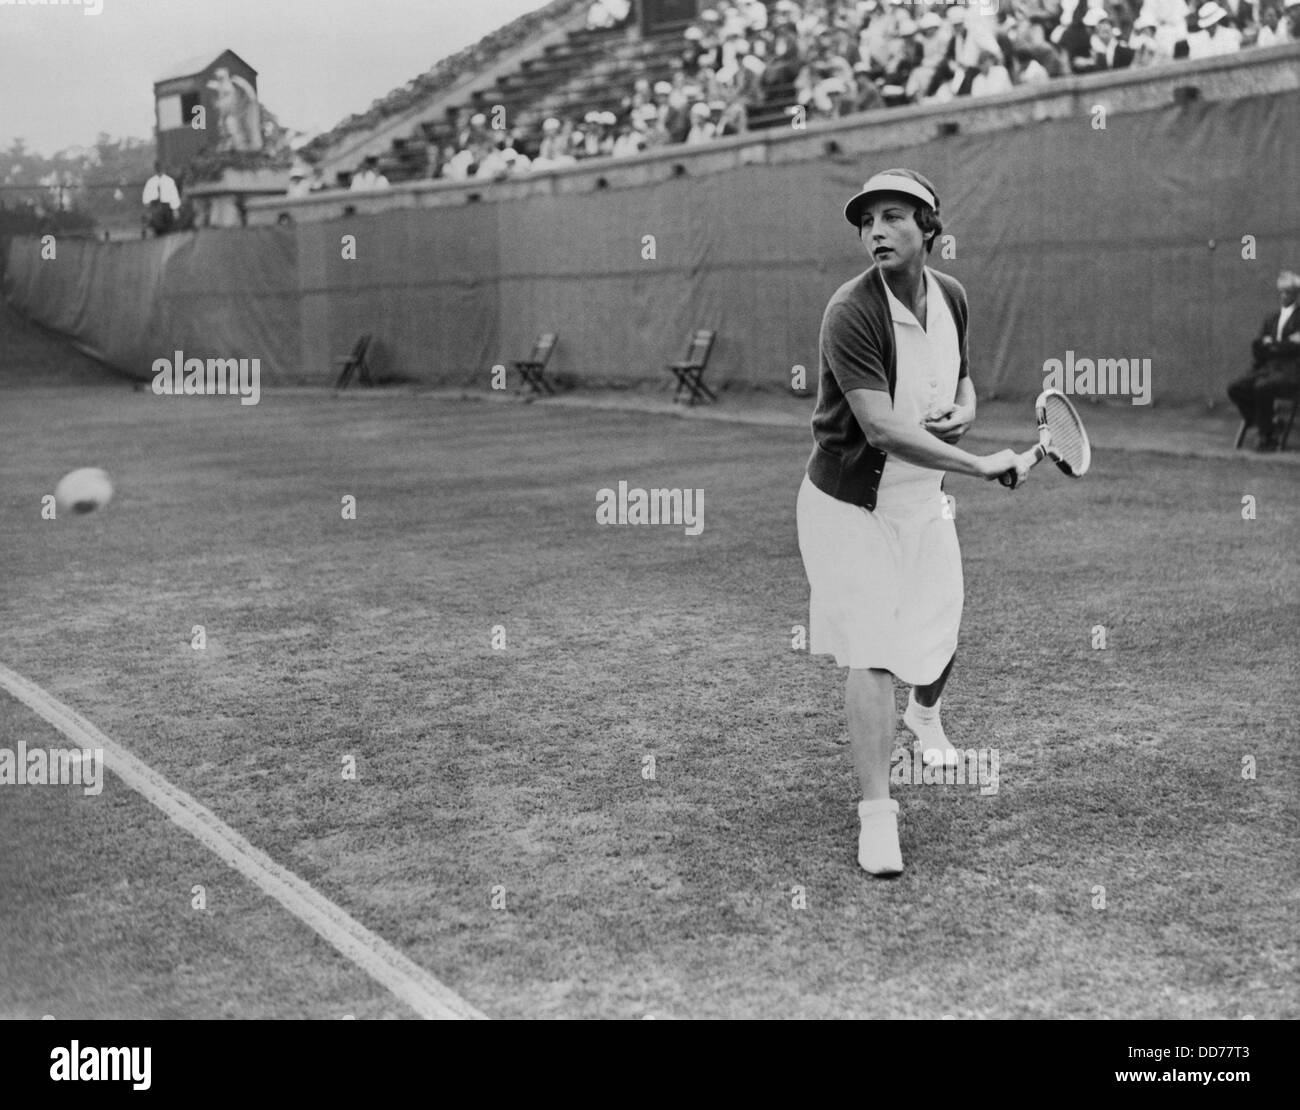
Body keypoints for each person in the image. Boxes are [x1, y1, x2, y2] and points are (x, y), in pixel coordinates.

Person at [796, 169, 1031, 877]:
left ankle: (924, 718)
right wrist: (982, 463)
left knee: (942, 625)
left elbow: (961, 378)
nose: (876, 232)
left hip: (922, 499)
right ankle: (878, 816)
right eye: (867, 222)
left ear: (929, 228)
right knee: (872, 648)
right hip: (849, 504)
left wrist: (968, 409)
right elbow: (883, 428)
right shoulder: (851, 311)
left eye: (893, 217)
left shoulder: (951, 296)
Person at [1227, 270, 1300, 451]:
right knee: (1235, 388)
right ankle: (1265, 423)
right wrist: (1281, 345)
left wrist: (1273, 345)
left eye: (1288, 292)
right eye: (1281, 292)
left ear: (1296, 294)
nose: (1283, 296)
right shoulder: (1271, 319)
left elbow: (1294, 348)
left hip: (1291, 372)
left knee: (1262, 387)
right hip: (1267, 369)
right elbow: (1258, 346)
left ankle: (1266, 436)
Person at [141, 162, 180, 236]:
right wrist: (148, 206)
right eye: (158, 168)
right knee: (151, 217)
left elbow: (174, 195)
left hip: (167, 206)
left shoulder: (169, 181)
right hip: (154, 205)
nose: (159, 169)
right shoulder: (151, 181)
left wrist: (175, 208)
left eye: (160, 168)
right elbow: (146, 196)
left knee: (169, 221)